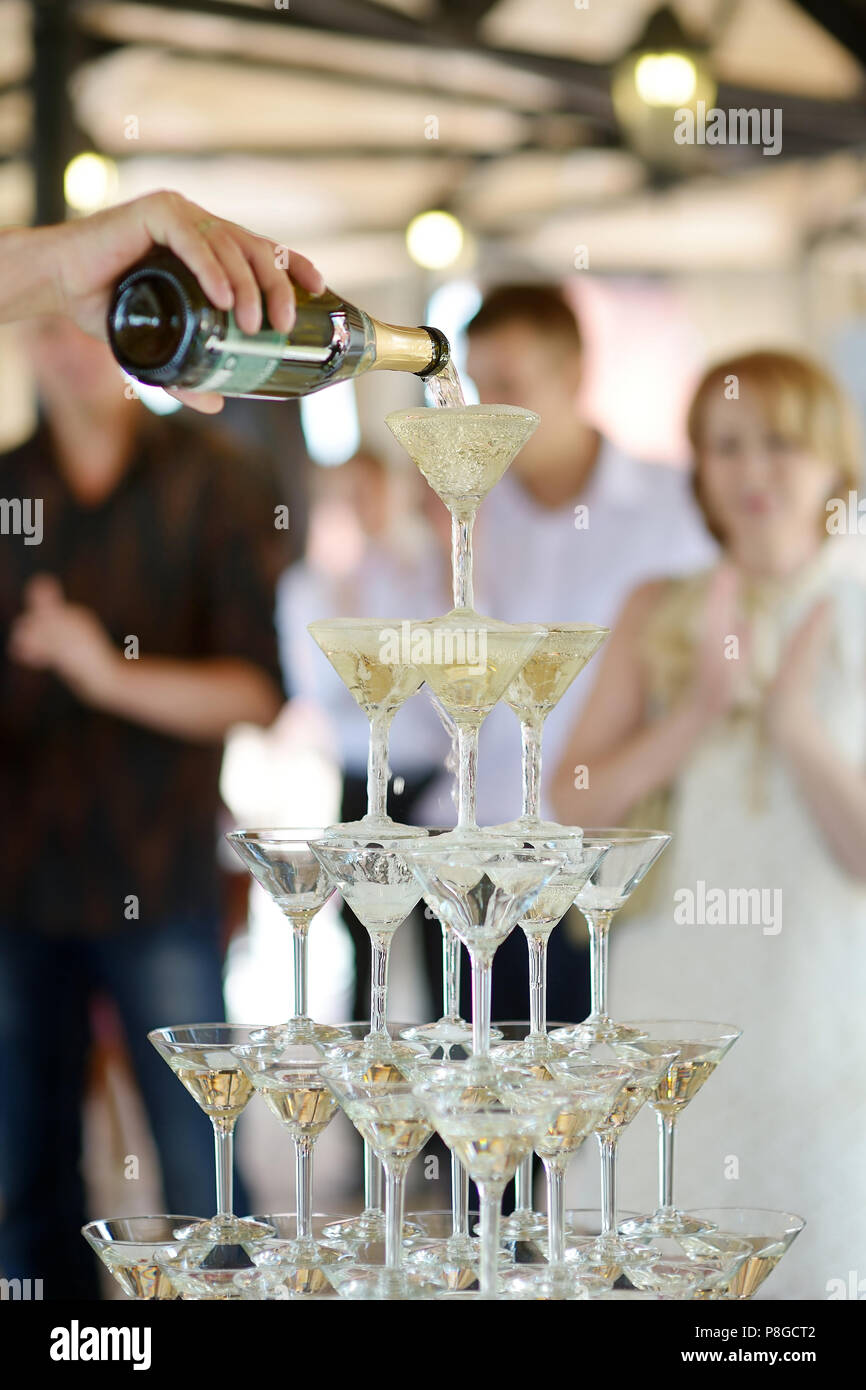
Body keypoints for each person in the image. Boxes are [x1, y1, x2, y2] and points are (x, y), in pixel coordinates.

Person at [552, 349, 866, 1298]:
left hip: (818, 990)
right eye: (727, 446)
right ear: (697, 470)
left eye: (781, 443)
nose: (754, 471)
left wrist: (795, 731)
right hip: (673, 973)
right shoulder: (662, 609)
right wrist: (694, 714)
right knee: (656, 1243)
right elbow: (572, 798)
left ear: (833, 465)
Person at [0, 317, 292, 1298]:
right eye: (54, 322)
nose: (73, 345)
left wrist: (99, 673)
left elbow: (256, 691)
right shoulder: (7, 489)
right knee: (18, 1170)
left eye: (100, 324)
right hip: (13, 874)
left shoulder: (216, 482)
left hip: (157, 870)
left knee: (202, 1168)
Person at [421, 284, 716, 1025]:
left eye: (511, 384)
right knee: (476, 1112)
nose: (491, 408)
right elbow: (430, 706)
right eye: (479, 386)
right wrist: (448, 562)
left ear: (575, 374)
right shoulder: (461, 514)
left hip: (611, 863)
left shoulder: (677, 506)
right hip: (474, 854)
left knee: (596, 1112)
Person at [277, 448, 450, 1021]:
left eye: (369, 493)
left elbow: (443, 680)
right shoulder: (308, 587)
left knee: (438, 932)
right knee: (362, 933)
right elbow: (318, 691)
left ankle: (443, 1066)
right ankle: (364, 1072)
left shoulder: (423, 573)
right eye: (347, 497)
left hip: (431, 781)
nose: (361, 508)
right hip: (362, 779)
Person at [0, 189, 325, 407]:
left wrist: (61, 272)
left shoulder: (218, 474)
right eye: (48, 332)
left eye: (66, 325)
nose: (71, 348)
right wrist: (59, 273)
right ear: (22, 349)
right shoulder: (12, 477)